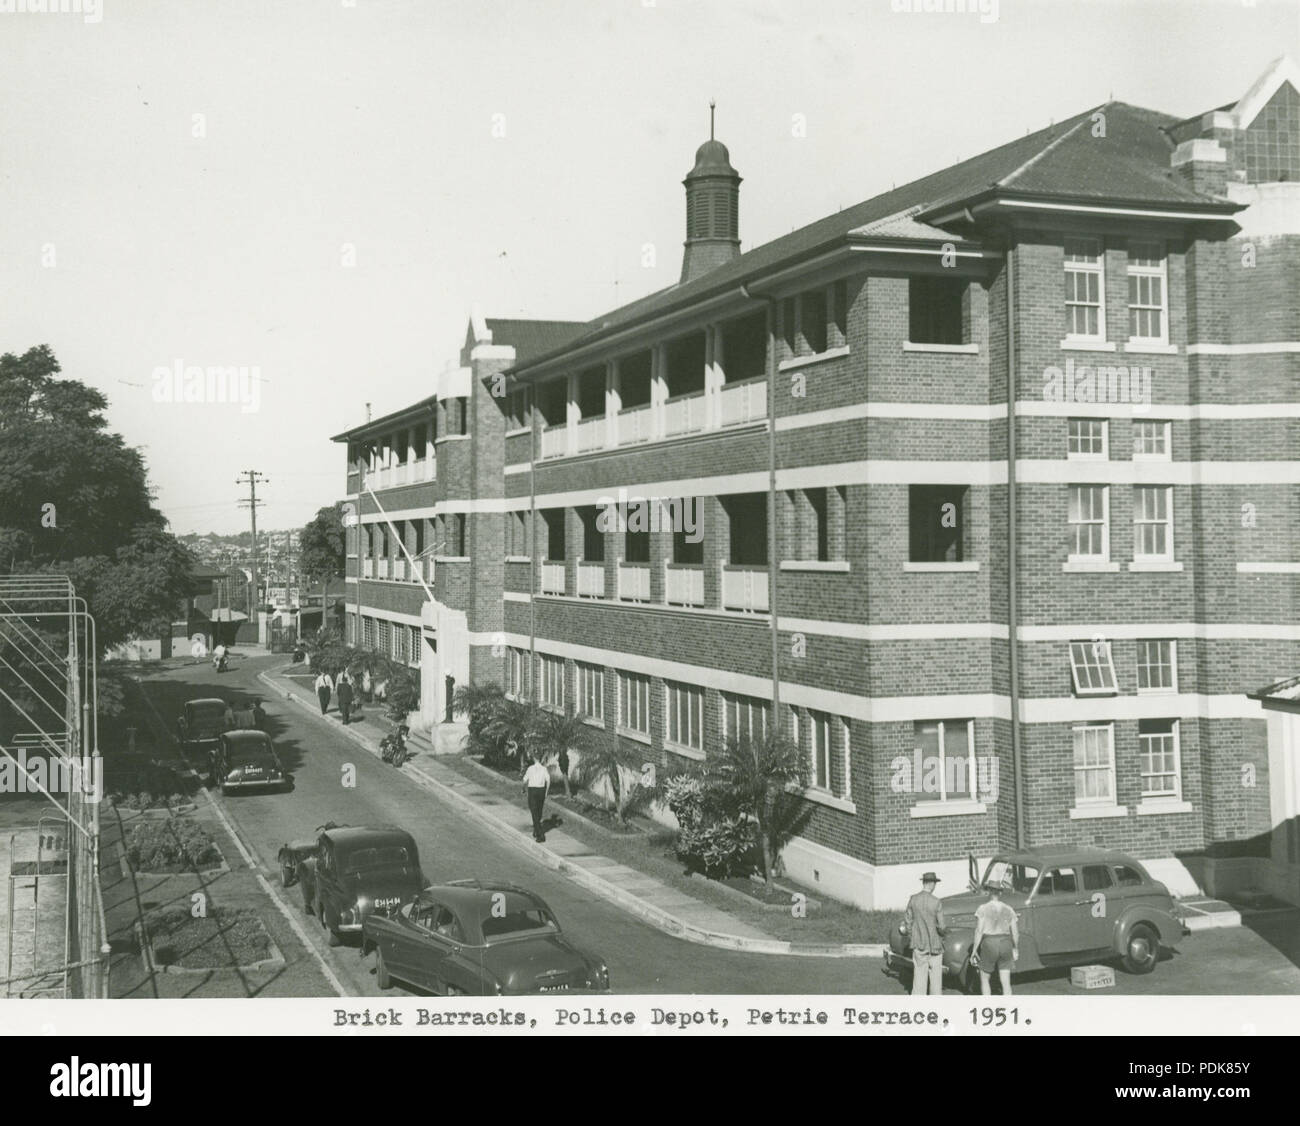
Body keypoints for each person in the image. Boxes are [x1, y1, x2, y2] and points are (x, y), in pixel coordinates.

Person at [901, 872, 947, 996]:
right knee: (936, 979)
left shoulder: (913, 899)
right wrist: (943, 935)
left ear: (924, 882)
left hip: (919, 943)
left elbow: (908, 921)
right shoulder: (937, 902)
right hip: (935, 944)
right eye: (935, 884)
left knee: (919, 976)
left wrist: (912, 936)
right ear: (932, 884)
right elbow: (942, 926)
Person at [971, 879, 1019, 996]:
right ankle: (1008, 1008)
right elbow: (1015, 932)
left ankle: (988, 1008)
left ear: (988, 891)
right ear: (1000, 893)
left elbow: (979, 931)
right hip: (1006, 943)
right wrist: (1015, 948)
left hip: (990, 943)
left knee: (985, 978)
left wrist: (974, 951)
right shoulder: (1009, 909)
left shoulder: (982, 908)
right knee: (1006, 982)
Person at [522, 752, 551, 843]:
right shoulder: (544, 769)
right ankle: (536, 829)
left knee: (534, 811)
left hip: (533, 790)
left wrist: (523, 788)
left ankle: (540, 834)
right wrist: (546, 791)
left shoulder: (530, 768)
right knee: (539, 810)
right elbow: (548, 780)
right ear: (540, 759)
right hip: (541, 790)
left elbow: (524, 780)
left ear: (534, 759)